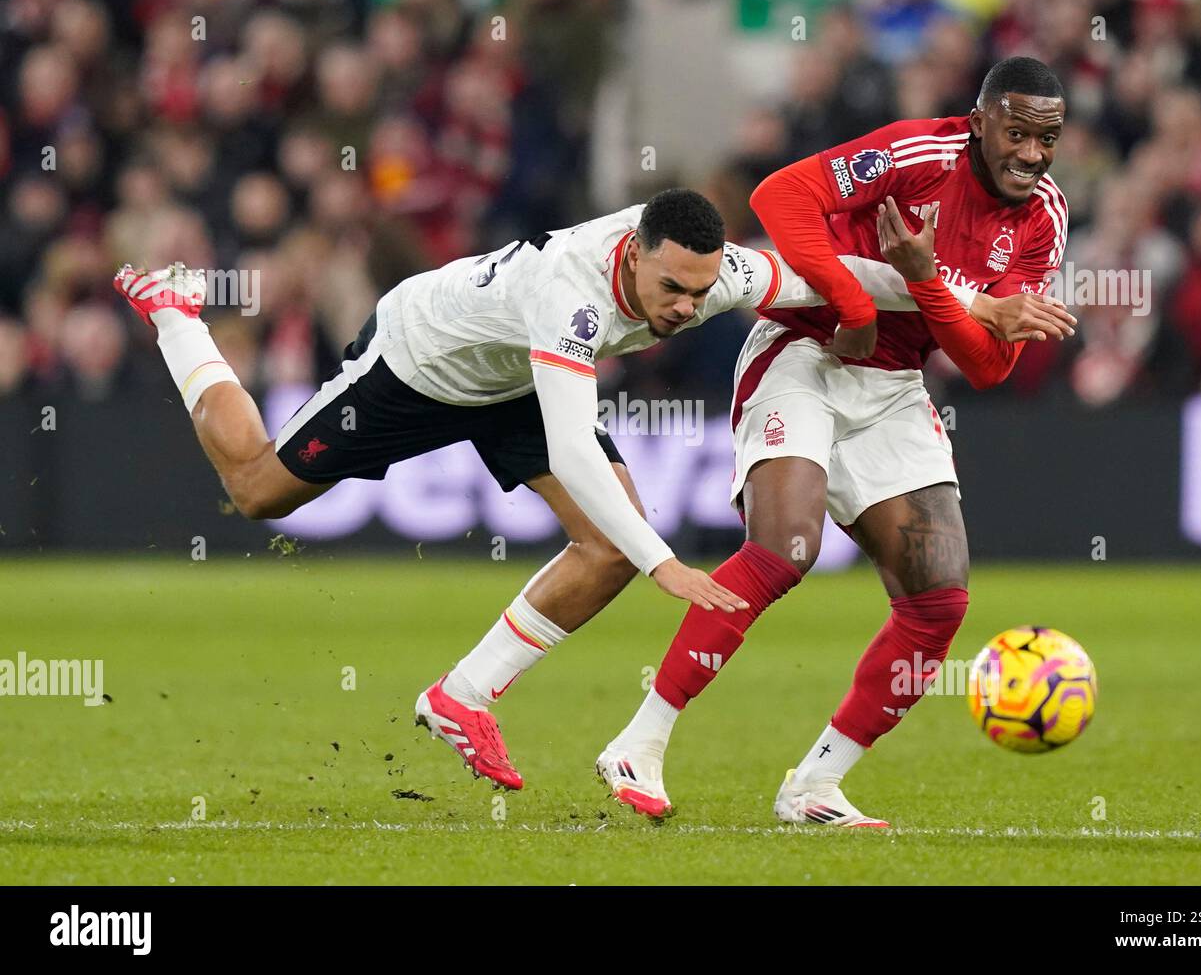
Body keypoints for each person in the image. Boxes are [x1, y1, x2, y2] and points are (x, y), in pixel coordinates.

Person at [113, 187, 1064, 792]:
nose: (687, 309)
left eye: (700, 294)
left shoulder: (709, 270)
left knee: (602, 545)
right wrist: (668, 568)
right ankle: (176, 315)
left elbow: (828, 278)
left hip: (515, 381)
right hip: (419, 364)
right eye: (672, 291)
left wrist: (973, 302)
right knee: (256, 492)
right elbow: (573, 453)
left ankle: (461, 696)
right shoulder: (572, 293)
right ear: (633, 256)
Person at [599, 58, 1074, 826]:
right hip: (803, 351)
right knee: (786, 547)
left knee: (938, 602)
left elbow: (988, 366)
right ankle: (639, 743)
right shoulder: (920, 155)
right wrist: (854, 301)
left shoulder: (1045, 217)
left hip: (891, 385)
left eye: (1046, 138)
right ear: (981, 121)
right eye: (1016, 133)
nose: (1030, 154)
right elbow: (778, 195)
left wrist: (923, 280)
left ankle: (815, 785)